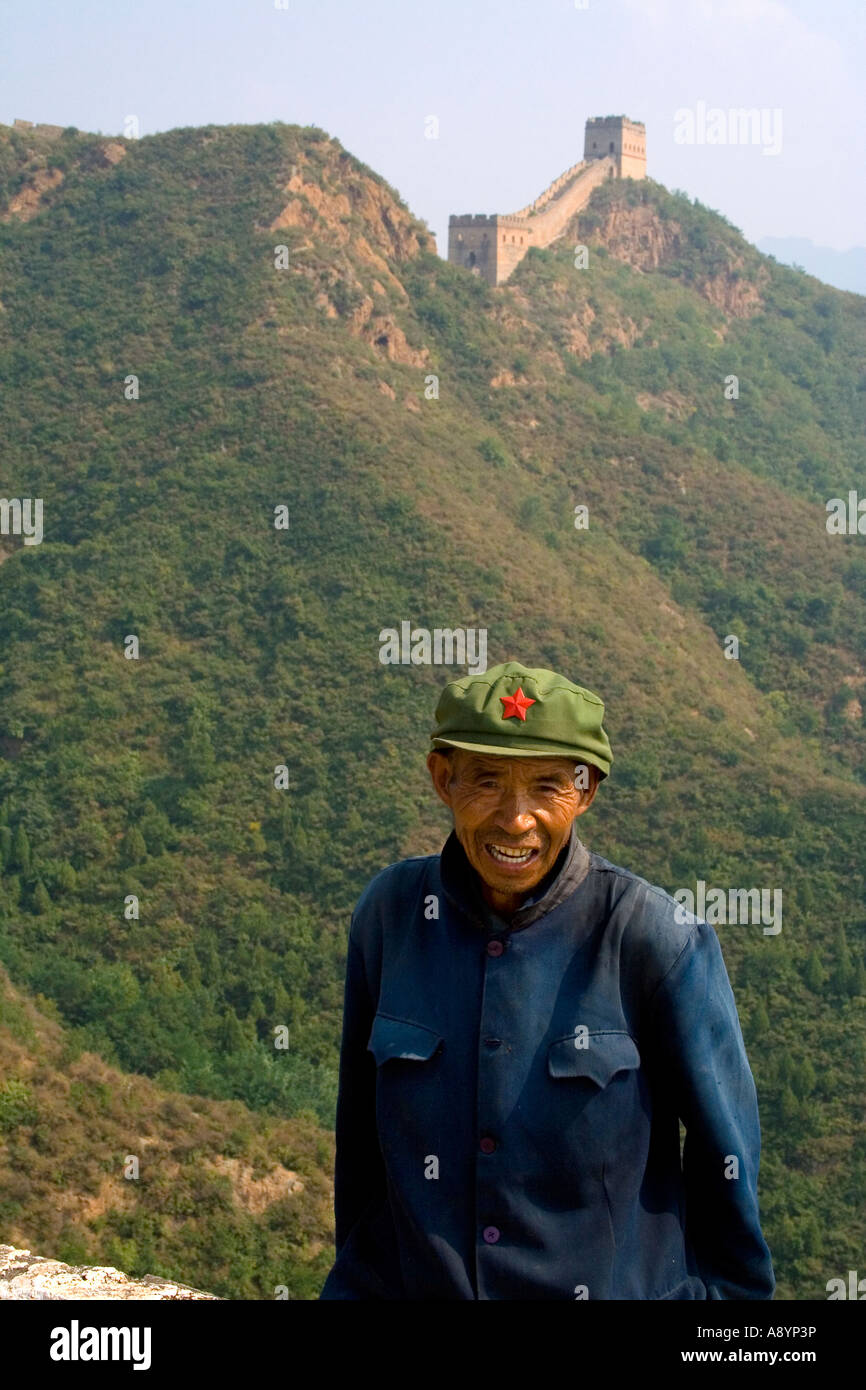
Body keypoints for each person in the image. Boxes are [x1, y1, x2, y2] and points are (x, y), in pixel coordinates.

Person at [319, 660, 775, 1300]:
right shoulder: (392, 915)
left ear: (585, 791)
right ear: (442, 781)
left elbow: (727, 1171)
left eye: (547, 787)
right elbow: (362, 1153)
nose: (515, 818)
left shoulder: (655, 940)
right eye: (485, 781)